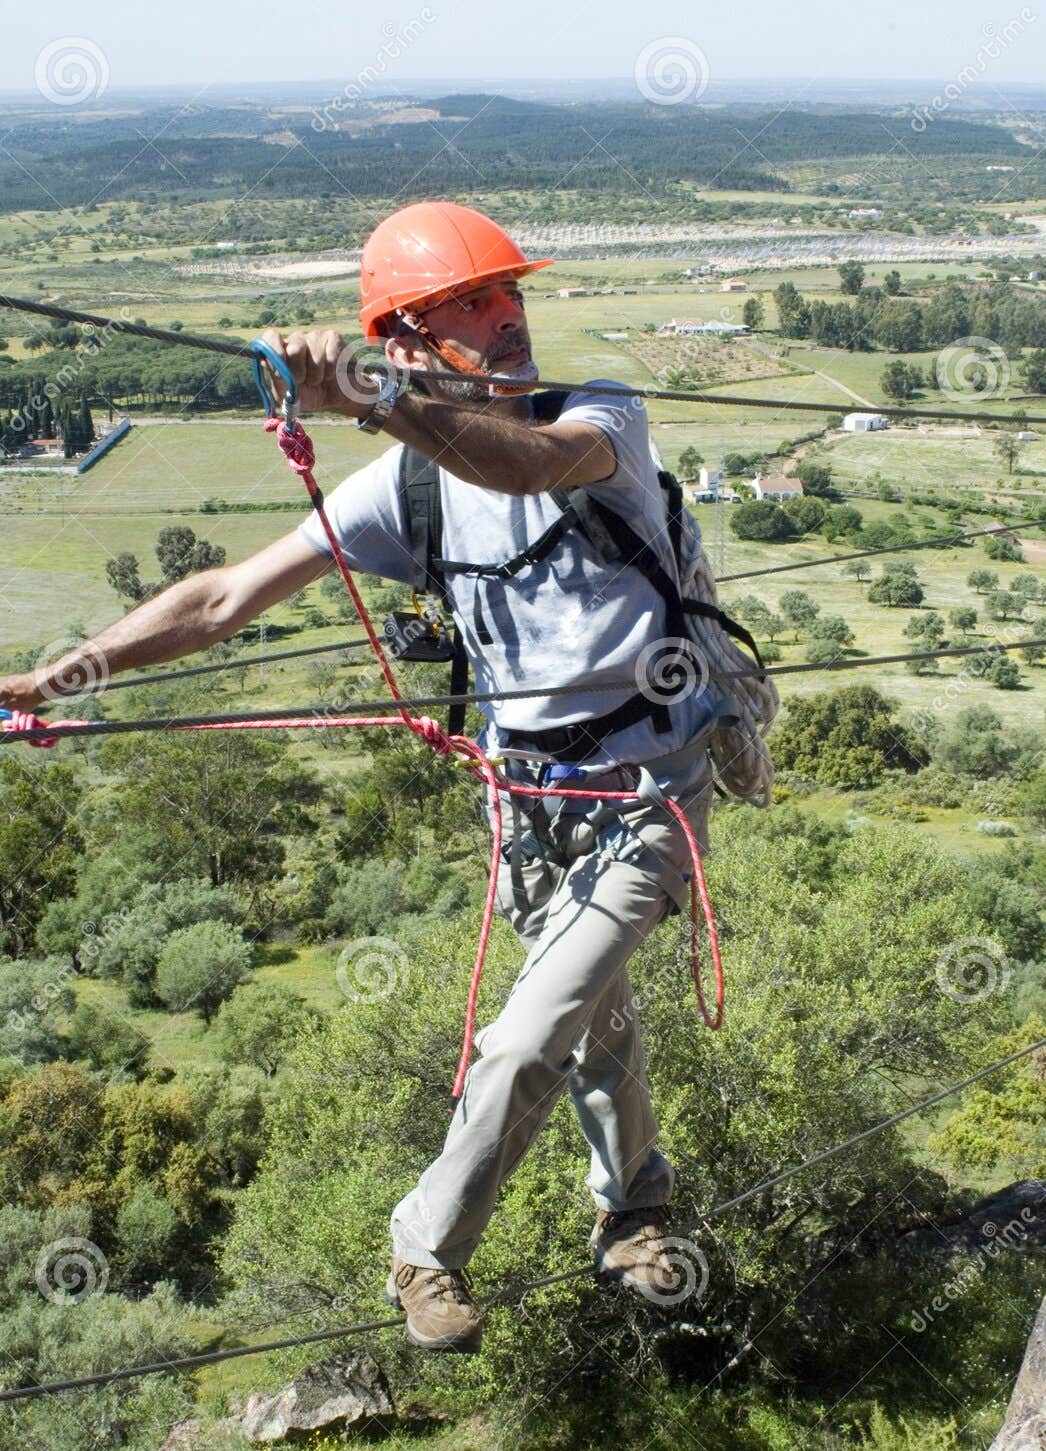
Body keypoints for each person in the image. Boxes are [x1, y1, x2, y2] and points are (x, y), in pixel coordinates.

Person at [0, 201, 750, 1357]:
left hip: (649, 791)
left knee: (529, 1034)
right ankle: (634, 1207)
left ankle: (425, 1242)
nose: (505, 318)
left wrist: (376, 400)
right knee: (588, 1010)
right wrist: (57, 675)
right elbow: (220, 598)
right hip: (528, 804)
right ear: (404, 338)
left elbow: (527, 465)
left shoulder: (600, 419)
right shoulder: (406, 491)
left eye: (507, 294)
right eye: (469, 305)